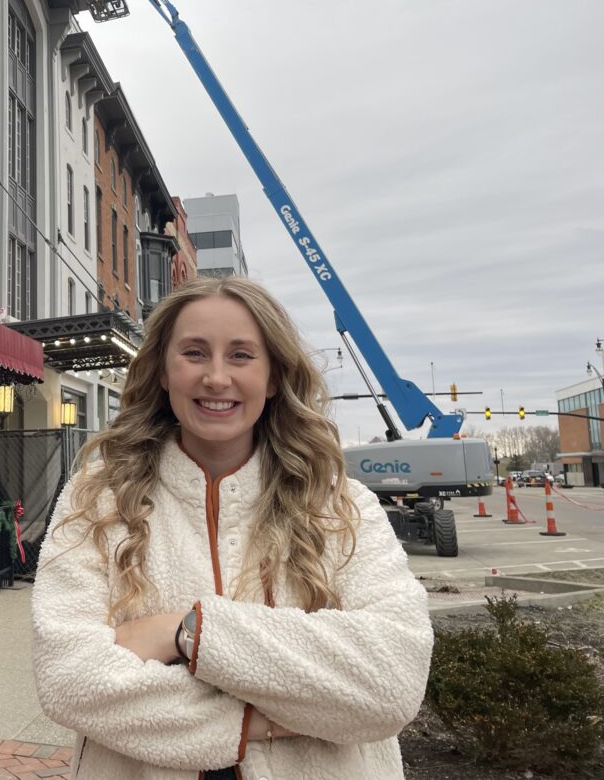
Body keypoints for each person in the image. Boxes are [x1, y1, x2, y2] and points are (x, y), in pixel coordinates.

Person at [32, 276, 433, 779]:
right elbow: (69, 679)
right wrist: (266, 716)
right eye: (195, 353)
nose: (216, 378)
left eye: (241, 355)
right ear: (161, 370)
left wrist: (186, 633)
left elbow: (392, 681)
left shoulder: (340, 506)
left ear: (272, 377)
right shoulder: (98, 500)